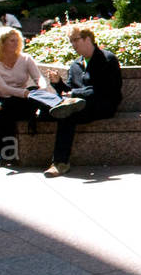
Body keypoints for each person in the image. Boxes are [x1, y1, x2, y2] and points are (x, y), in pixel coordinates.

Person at [0, 27, 85, 169]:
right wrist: (25, 93)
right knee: (4, 113)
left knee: (32, 91)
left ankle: (3, 153)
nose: (16, 43)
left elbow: (39, 78)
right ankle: (3, 156)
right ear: (1, 43)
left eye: (18, 40)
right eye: (12, 41)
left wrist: (41, 87)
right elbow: (3, 89)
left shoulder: (25, 58)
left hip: (22, 98)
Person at [43, 24, 123, 177]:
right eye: (71, 41)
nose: (73, 44)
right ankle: (59, 162)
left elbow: (106, 90)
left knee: (69, 112)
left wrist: (74, 94)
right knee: (63, 112)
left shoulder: (107, 59)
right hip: (80, 106)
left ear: (88, 39)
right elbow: (69, 90)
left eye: (76, 40)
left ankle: (60, 162)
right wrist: (57, 83)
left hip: (103, 104)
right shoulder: (75, 65)